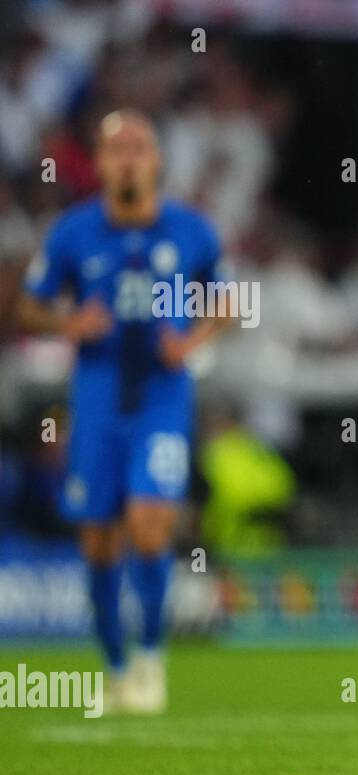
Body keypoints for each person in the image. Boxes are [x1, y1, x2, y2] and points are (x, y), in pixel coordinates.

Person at [18, 109, 229, 713]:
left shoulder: (192, 232)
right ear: (102, 162)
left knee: (149, 521)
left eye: (140, 146)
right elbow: (29, 309)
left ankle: (151, 663)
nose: (130, 158)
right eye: (117, 148)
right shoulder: (72, 233)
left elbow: (231, 298)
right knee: (99, 541)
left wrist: (190, 343)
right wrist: (69, 321)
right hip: (98, 400)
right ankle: (114, 666)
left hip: (162, 398)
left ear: (156, 160)